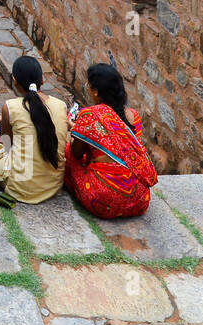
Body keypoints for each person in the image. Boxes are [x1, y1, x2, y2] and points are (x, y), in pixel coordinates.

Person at [0, 55, 70, 204]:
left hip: (20, 188)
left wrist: (5, 122)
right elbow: (38, 123)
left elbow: (6, 147)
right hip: (53, 186)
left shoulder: (11, 106)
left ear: (15, 81)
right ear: (42, 80)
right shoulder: (61, 105)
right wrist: (4, 120)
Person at [64, 63, 158, 218]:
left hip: (104, 202)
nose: (87, 87)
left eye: (89, 85)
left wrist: (76, 130)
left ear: (95, 92)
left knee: (68, 151)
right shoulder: (134, 116)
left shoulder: (90, 115)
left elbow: (77, 153)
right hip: (140, 200)